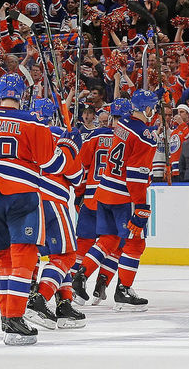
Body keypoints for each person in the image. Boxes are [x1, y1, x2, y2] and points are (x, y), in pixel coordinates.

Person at [0, 73, 79, 346]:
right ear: (22, 95)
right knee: (23, 255)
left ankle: (5, 315)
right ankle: (15, 317)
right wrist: (70, 148)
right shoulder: (31, 121)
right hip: (21, 195)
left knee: (2, 257)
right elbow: (53, 166)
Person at [72, 89, 158, 311]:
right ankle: (123, 291)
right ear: (147, 109)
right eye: (154, 107)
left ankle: (81, 274)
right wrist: (141, 206)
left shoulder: (122, 126)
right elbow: (136, 176)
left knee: (108, 239)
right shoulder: (145, 136)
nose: (155, 111)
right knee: (135, 242)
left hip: (103, 192)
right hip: (124, 195)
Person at [25, 98, 85, 331]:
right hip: (52, 200)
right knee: (67, 256)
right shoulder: (61, 136)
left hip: (24, 199)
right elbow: (77, 177)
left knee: (45, 256)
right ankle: (40, 299)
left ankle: (65, 303)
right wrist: (72, 147)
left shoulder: (23, 132)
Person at [72, 98, 133, 306]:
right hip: (118, 198)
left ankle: (74, 288)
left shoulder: (95, 135)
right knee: (116, 244)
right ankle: (102, 284)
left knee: (84, 244)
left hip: (91, 197)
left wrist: (79, 193)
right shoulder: (131, 136)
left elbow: (82, 167)